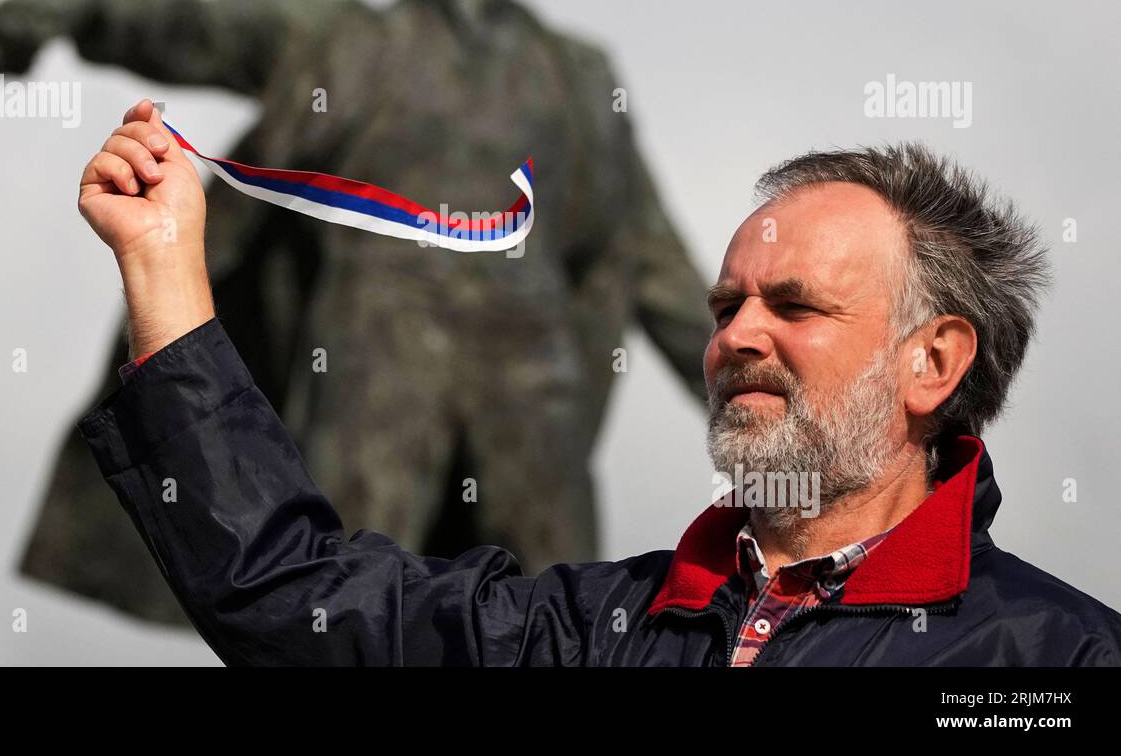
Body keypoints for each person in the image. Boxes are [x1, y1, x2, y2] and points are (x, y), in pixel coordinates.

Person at [0, 0, 716, 619]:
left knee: (556, 617)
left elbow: (650, 257)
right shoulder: (341, 41)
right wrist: (66, 12)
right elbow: (195, 25)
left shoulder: (578, 75)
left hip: (532, 376)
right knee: (335, 603)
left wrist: (776, 397)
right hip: (368, 354)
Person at [74, 99, 1121, 665]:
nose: (737, 336)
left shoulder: (1053, 652)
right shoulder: (584, 629)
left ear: (932, 361)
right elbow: (291, 599)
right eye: (723, 308)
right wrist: (164, 270)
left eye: (794, 306)